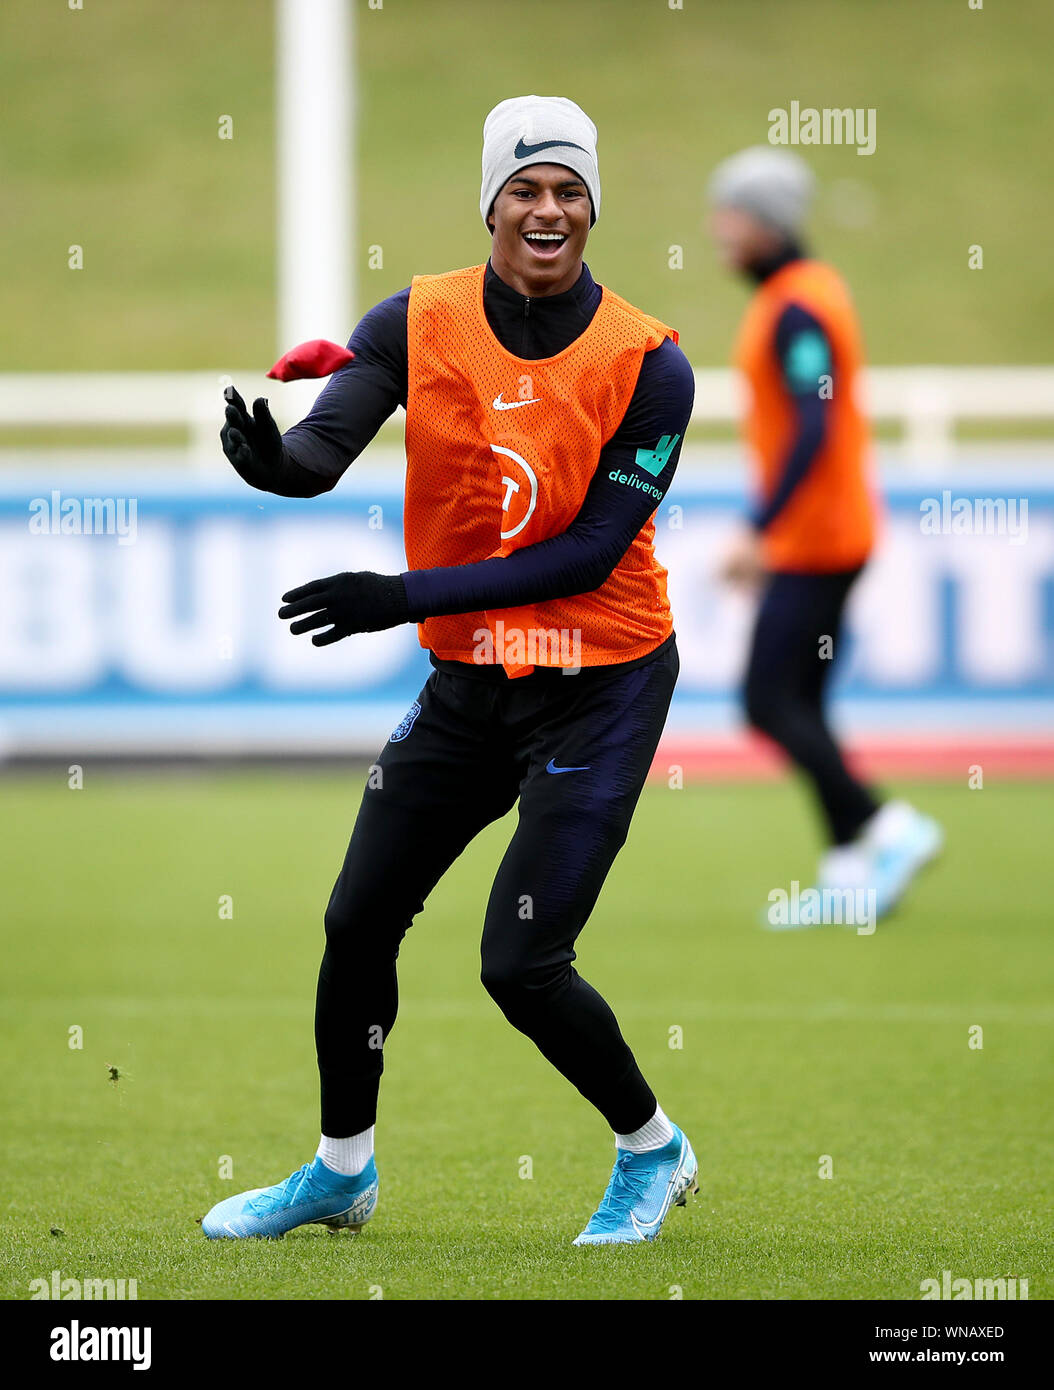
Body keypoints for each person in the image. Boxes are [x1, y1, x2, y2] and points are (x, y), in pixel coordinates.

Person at [202, 96, 697, 1245]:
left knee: (520, 961)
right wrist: (269, 461)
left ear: (591, 209)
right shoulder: (413, 319)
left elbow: (583, 554)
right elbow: (322, 455)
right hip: (474, 680)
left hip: (601, 679)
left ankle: (652, 1147)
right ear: (489, 203)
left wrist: (398, 598)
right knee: (356, 919)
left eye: (569, 188)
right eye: (524, 187)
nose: (548, 207)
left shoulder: (649, 364)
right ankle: (340, 1171)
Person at [706, 146, 942, 926]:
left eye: (731, 216)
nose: (719, 232)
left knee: (765, 701)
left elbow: (814, 420)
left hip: (818, 540)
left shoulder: (797, 307)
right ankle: (849, 877)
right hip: (826, 536)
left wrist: (759, 529)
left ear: (767, 223)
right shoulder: (806, 294)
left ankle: (887, 825)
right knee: (801, 699)